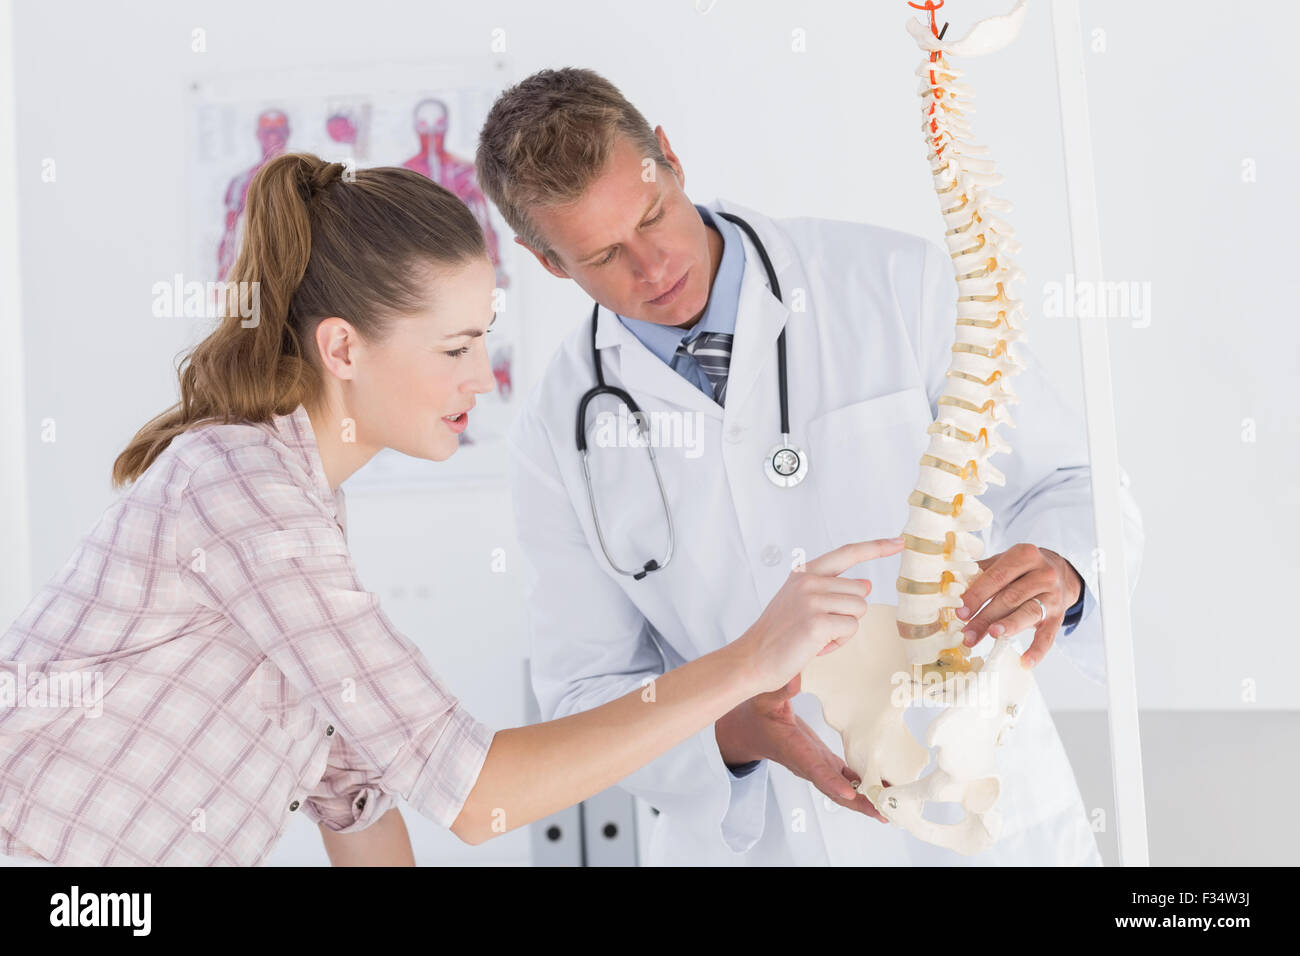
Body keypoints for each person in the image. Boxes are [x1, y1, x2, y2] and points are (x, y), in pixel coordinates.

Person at [0, 151, 905, 867]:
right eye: (457, 347)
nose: (483, 378)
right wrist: (747, 662)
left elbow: (359, 797)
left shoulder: (297, 514)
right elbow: (475, 795)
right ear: (343, 348)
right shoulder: (240, 490)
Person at [474, 68, 1146, 865]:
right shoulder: (557, 436)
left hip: (978, 808)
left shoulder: (895, 284)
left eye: (653, 216)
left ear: (669, 157)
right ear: (547, 262)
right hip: (762, 839)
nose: (653, 268)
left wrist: (1064, 570)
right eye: (604, 254)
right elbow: (584, 695)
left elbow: (1076, 484)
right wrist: (732, 732)